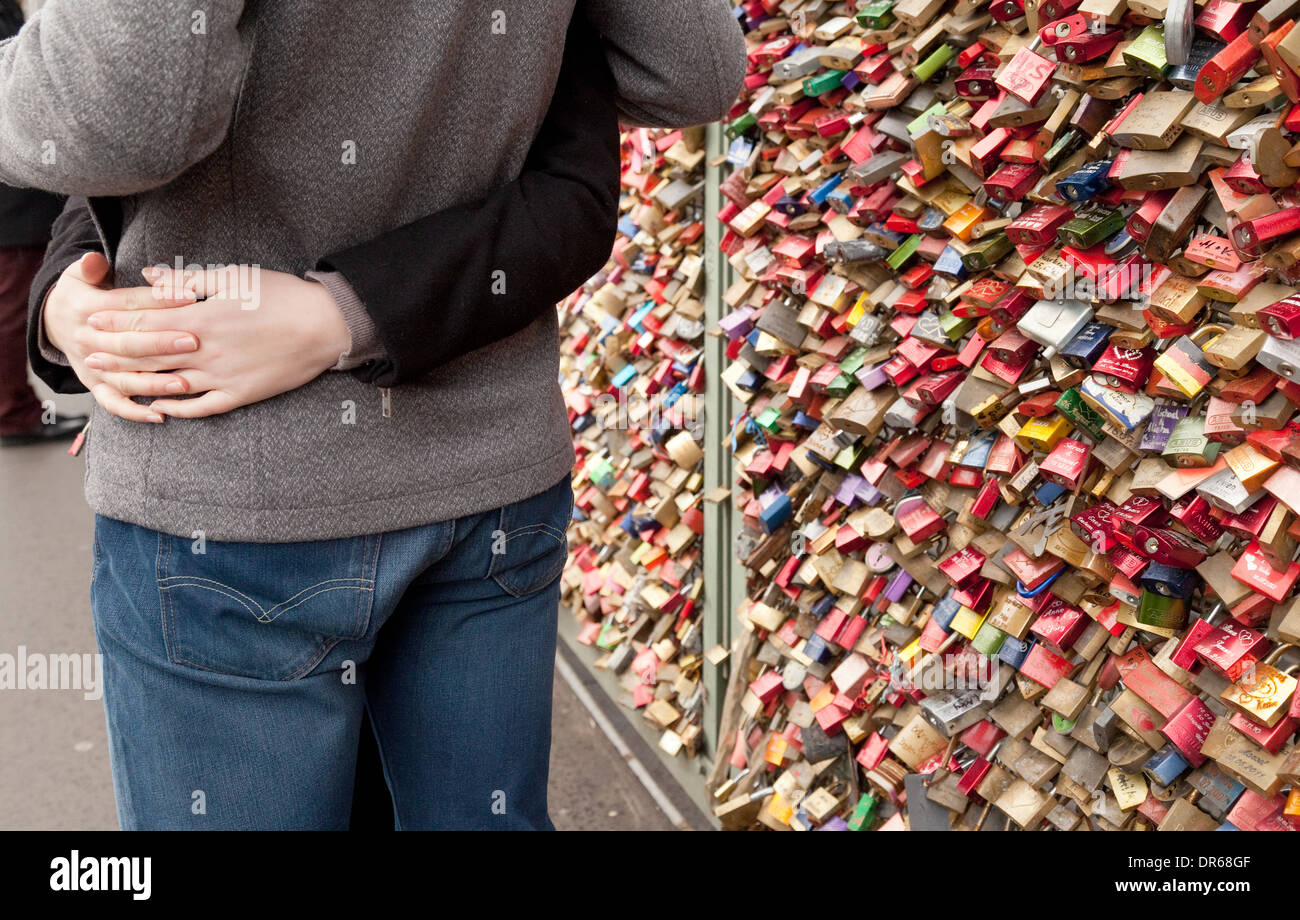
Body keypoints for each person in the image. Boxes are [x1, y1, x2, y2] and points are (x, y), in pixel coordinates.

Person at [0, 1, 745, 829]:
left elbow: (119, 118)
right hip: (486, 485)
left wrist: (338, 319)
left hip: (239, 502)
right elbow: (690, 72)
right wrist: (70, 289)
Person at [0, 0, 80, 445]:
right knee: (11, 309)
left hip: (17, 194)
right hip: (13, 201)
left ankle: (14, 409)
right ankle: (12, 414)